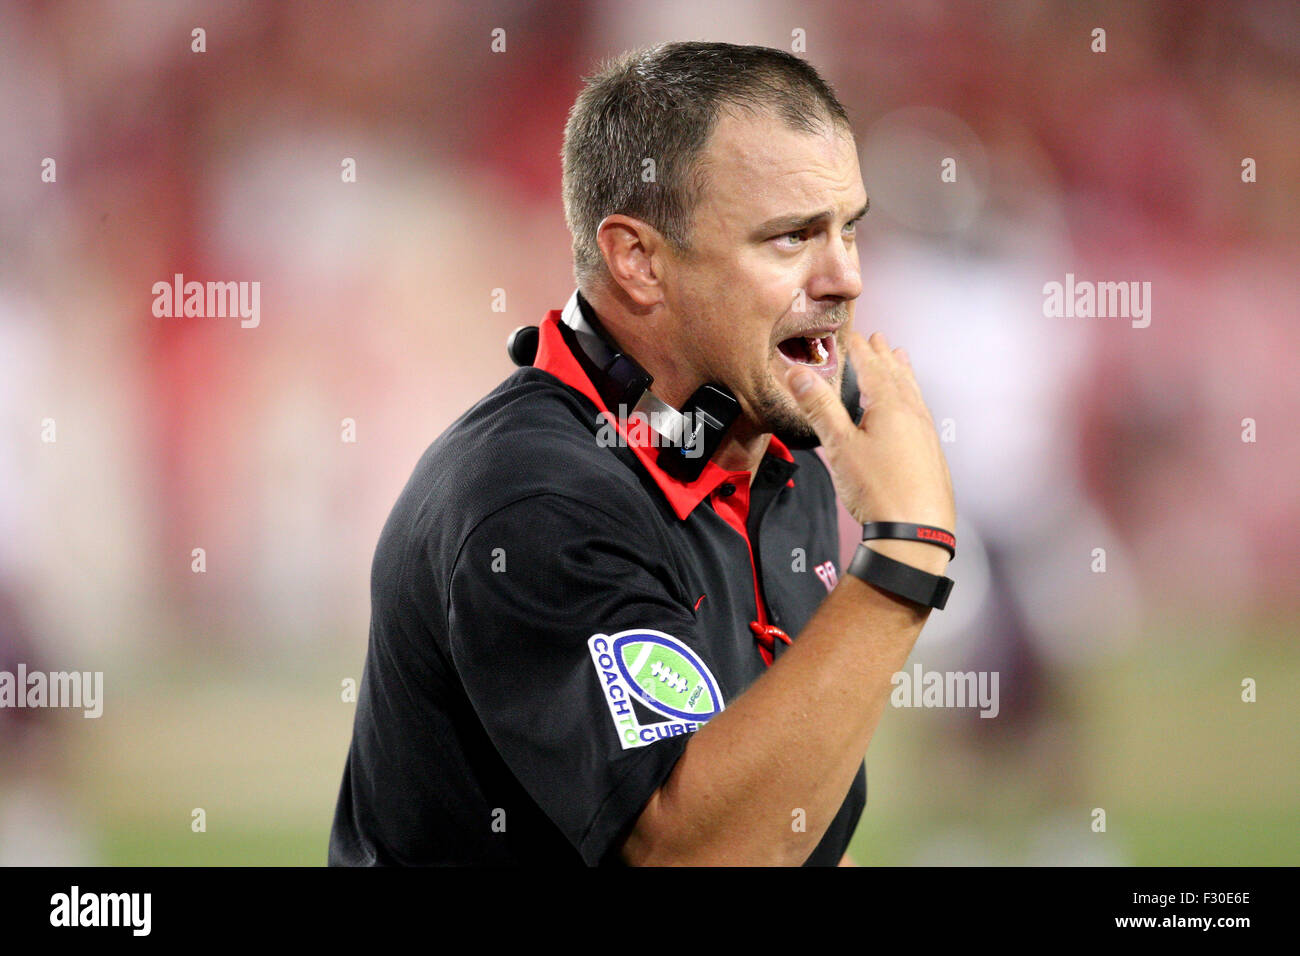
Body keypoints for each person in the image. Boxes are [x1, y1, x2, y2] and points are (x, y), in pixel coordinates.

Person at [328, 40, 956, 867]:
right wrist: (903, 563)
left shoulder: (776, 447)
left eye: (849, 229)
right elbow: (690, 855)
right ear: (638, 260)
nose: (844, 277)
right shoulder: (533, 503)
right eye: (791, 238)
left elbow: (790, 817)